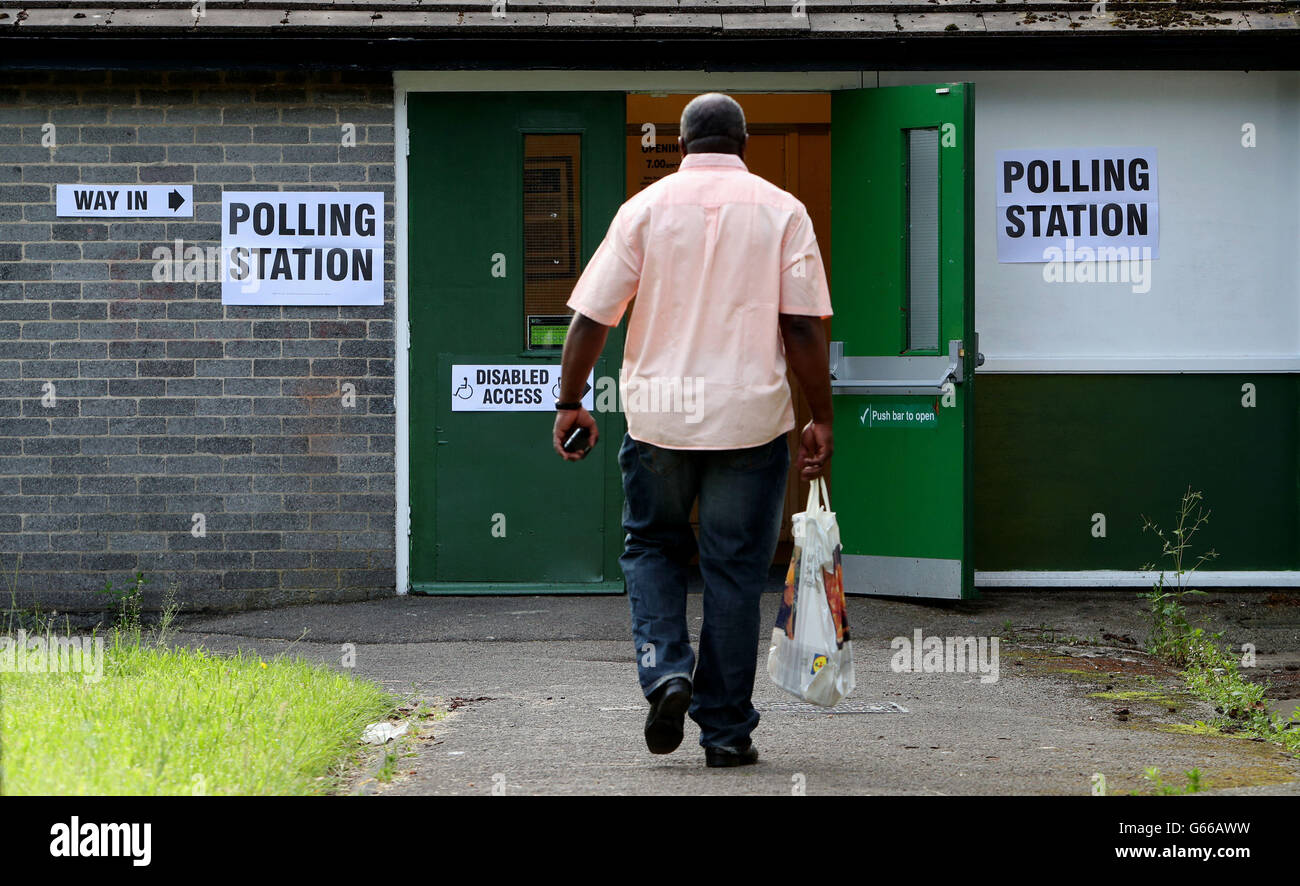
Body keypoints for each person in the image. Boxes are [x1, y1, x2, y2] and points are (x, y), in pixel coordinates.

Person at [552, 93, 833, 768]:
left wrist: (570, 401)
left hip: (659, 422)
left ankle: (666, 671)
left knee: (652, 547)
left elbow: (593, 317)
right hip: (750, 422)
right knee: (735, 574)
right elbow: (800, 326)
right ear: (743, 145)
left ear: (681, 145)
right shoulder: (781, 211)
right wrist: (820, 414)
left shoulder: (643, 211)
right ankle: (727, 732)